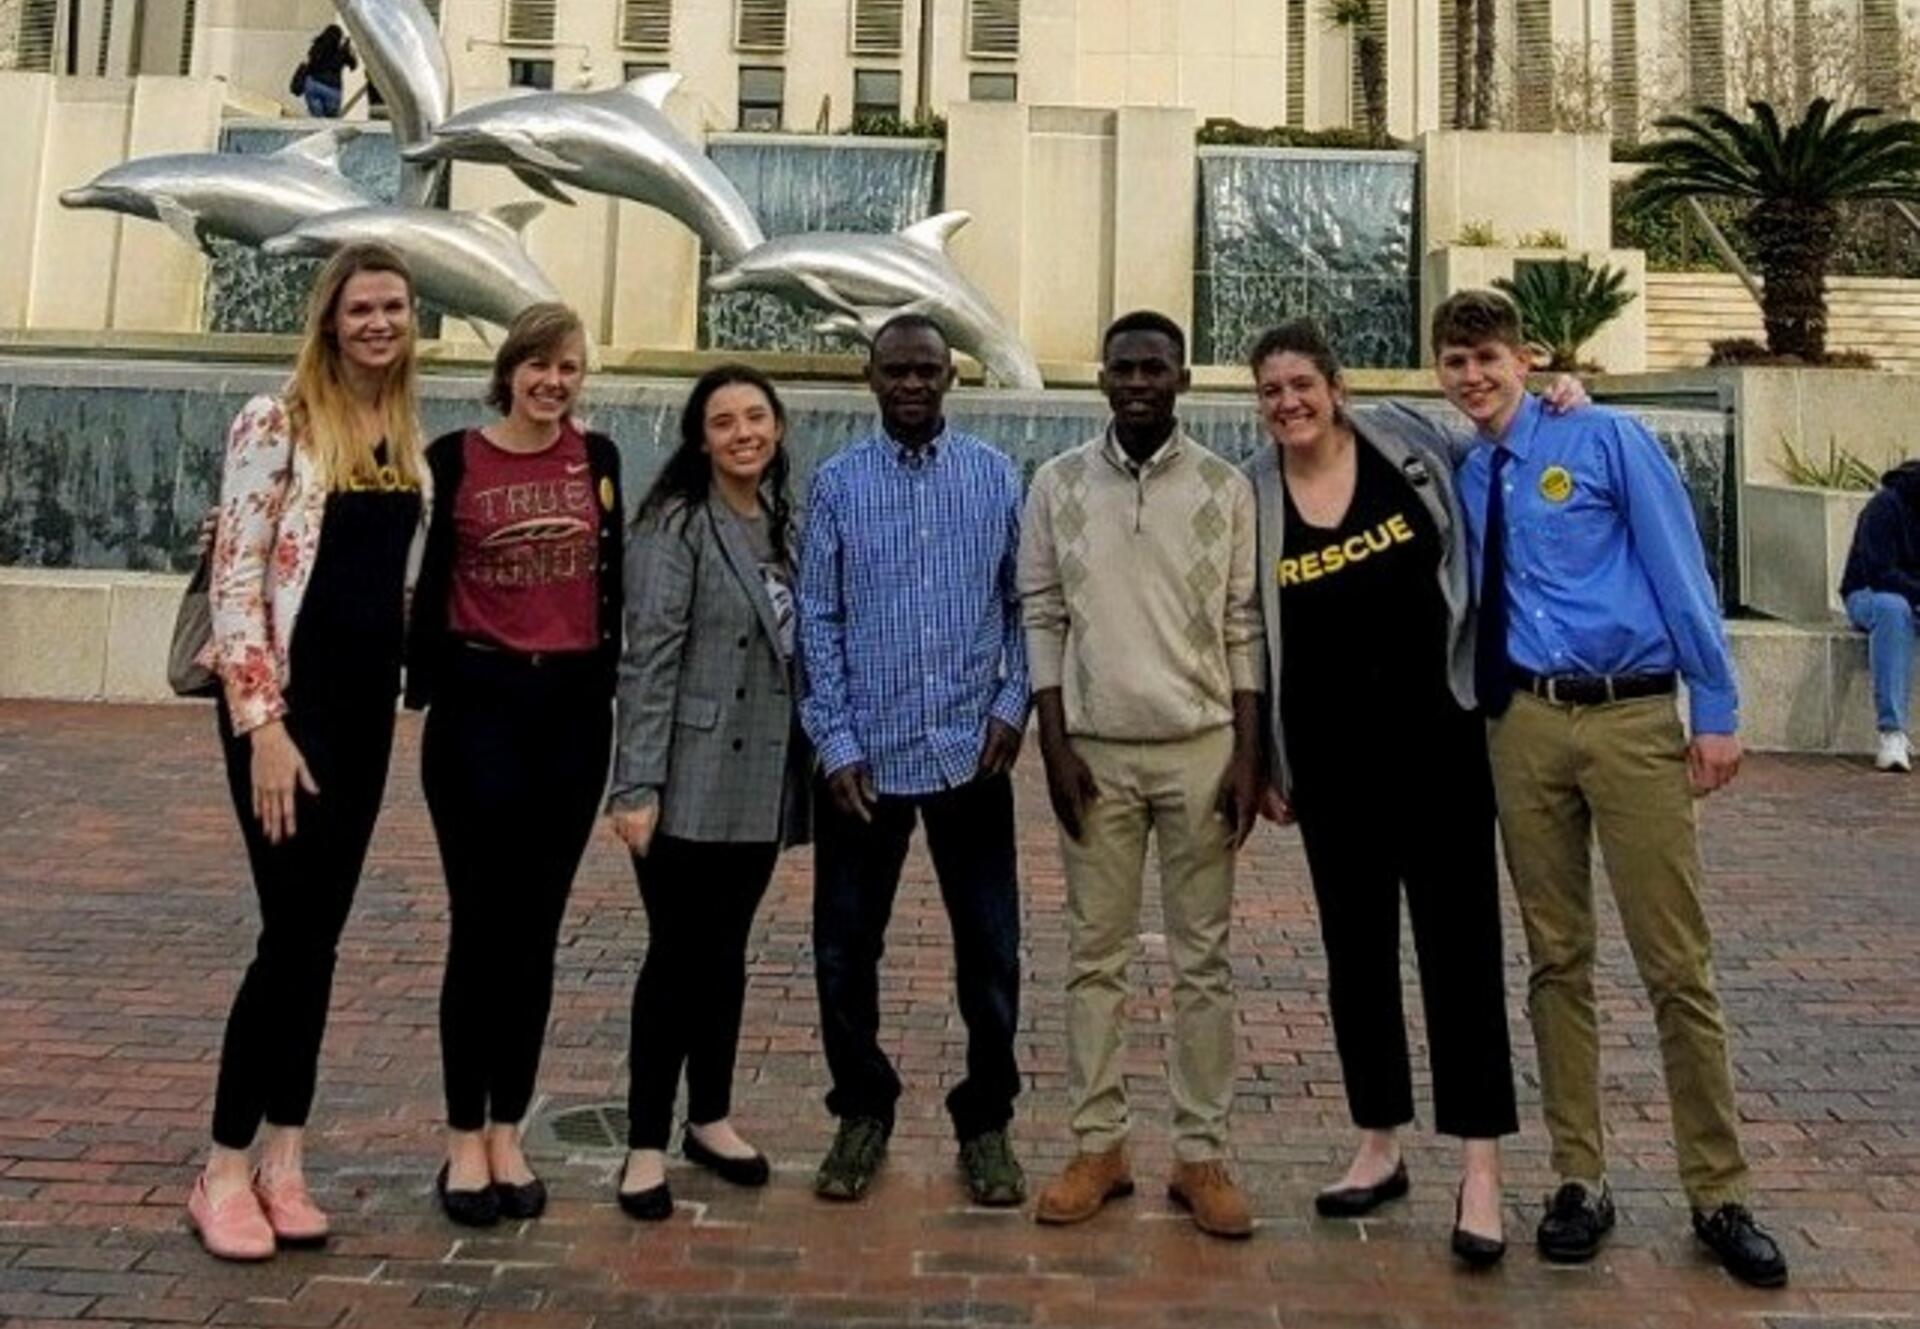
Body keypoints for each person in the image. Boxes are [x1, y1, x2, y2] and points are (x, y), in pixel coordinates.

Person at [1438, 289, 1788, 1288]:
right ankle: (1579, 1177)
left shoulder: (1604, 439)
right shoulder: (1468, 471)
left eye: (1488, 360)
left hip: (1633, 718)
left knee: (1676, 963)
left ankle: (1719, 1191)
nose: (1473, 380)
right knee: (1556, 961)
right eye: (1456, 363)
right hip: (1526, 725)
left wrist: (1714, 710)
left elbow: (1680, 567)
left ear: (1526, 357)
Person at [1242, 320, 1515, 1265]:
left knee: (1461, 952)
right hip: (1330, 766)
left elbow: (1498, 430)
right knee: (1356, 955)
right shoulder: (1255, 491)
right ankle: (1378, 1140)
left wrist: (1568, 396)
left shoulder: (1410, 443)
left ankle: (1480, 1168)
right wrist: (1267, 756)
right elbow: (1249, 631)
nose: (1289, 404)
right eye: (1271, 390)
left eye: (1301, 384)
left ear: (1336, 384)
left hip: (1439, 748)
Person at [190, 243, 430, 1261]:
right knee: (288, 937)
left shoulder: (405, 430)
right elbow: (236, 578)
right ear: (329, 319)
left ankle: (287, 1154)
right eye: (361, 307)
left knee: (319, 938)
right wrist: (265, 727)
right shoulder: (275, 418)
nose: (378, 322)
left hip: (366, 712)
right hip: (286, 714)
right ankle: (223, 1166)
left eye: (394, 307)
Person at [1019, 310, 1264, 1239]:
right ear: (1102, 379)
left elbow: (1245, 623)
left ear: (1182, 378)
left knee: (1203, 961)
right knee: (1095, 956)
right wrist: (1053, 738)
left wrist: (1249, 751)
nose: (1136, 383)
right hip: (1096, 752)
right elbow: (1041, 609)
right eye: (1121, 368)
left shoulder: (1226, 487)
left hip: (1200, 745)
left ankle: (1201, 1153)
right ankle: (1099, 1144)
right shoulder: (1055, 483)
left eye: (1153, 369)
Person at [797, 313, 1029, 1207]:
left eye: (926, 371)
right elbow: (817, 617)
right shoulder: (837, 485)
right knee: (844, 951)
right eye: (895, 371)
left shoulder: (994, 475)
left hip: (972, 753)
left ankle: (987, 1121)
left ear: (951, 378)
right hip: (867, 760)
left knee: (992, 951)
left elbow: (1024, 603)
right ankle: (861, 1108)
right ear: (870, 377)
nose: (911, 385)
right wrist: (836, 739)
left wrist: (1012, 702)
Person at [404, 303, 623, 1228]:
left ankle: (508, 1128)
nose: (553, 382)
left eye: (568, 366)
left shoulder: (599, 461)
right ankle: (461, 1136)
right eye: (538, 365)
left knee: (536, 932)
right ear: (510, 371)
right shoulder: (454, 457)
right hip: (478, 710)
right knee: (480, 925)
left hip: (571, 712)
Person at [606, 365, 812, 1221]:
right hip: (688, 772)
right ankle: (645, 1142)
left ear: (777, 428)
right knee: (676, 957)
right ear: (700, 439)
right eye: (724, 422)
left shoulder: (783, 523)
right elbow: (647, 659)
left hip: (761, 774)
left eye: (756, 417)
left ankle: (712, 1116)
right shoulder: (675, 525)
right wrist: (637, 782)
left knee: (725, 951)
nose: (743, 434)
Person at [1839, 460, 1920, 772]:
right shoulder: (1886, 506)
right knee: (1893, 609)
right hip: (1869, 593)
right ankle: (1892, 733)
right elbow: (1879, 571)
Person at [296, 24, 357, 120]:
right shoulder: (342, 52)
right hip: (331, 89)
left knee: (318, 120)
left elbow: (308, 62)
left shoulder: (317, 47)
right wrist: (350, 51)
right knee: (330, 121)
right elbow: (353, 66)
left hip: (312, 84)